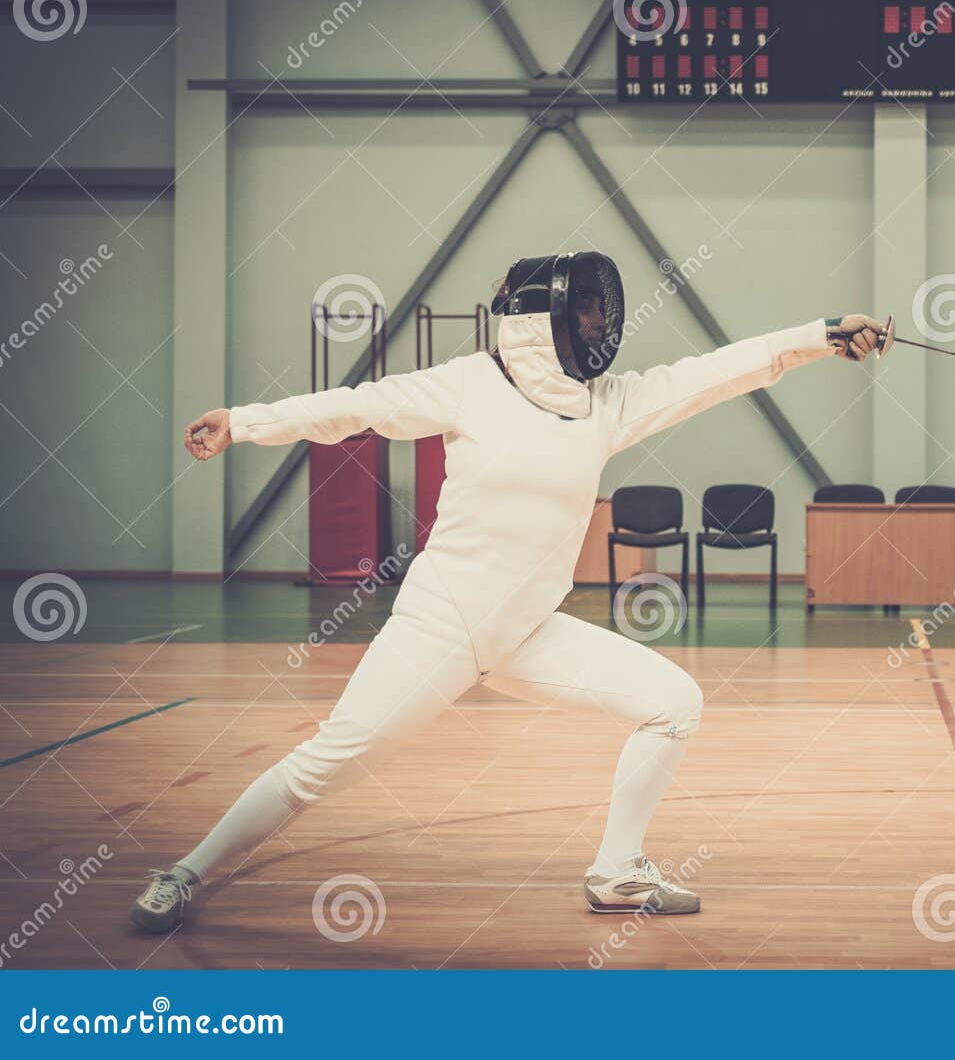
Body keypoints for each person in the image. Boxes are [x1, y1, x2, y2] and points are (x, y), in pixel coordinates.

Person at [130, 249, 887, 932]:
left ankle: (618, 870)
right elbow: (352, 407)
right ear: (541, 319)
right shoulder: (469, 385)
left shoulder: (607, 403)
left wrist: (821, 336)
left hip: (527, 632)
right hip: (441, 626)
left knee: (674, 703)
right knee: (325, 762)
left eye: (601, 309)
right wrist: (243, 421)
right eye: (586, 309)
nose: (599, 321)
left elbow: (717, 372)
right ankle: (184, 872)